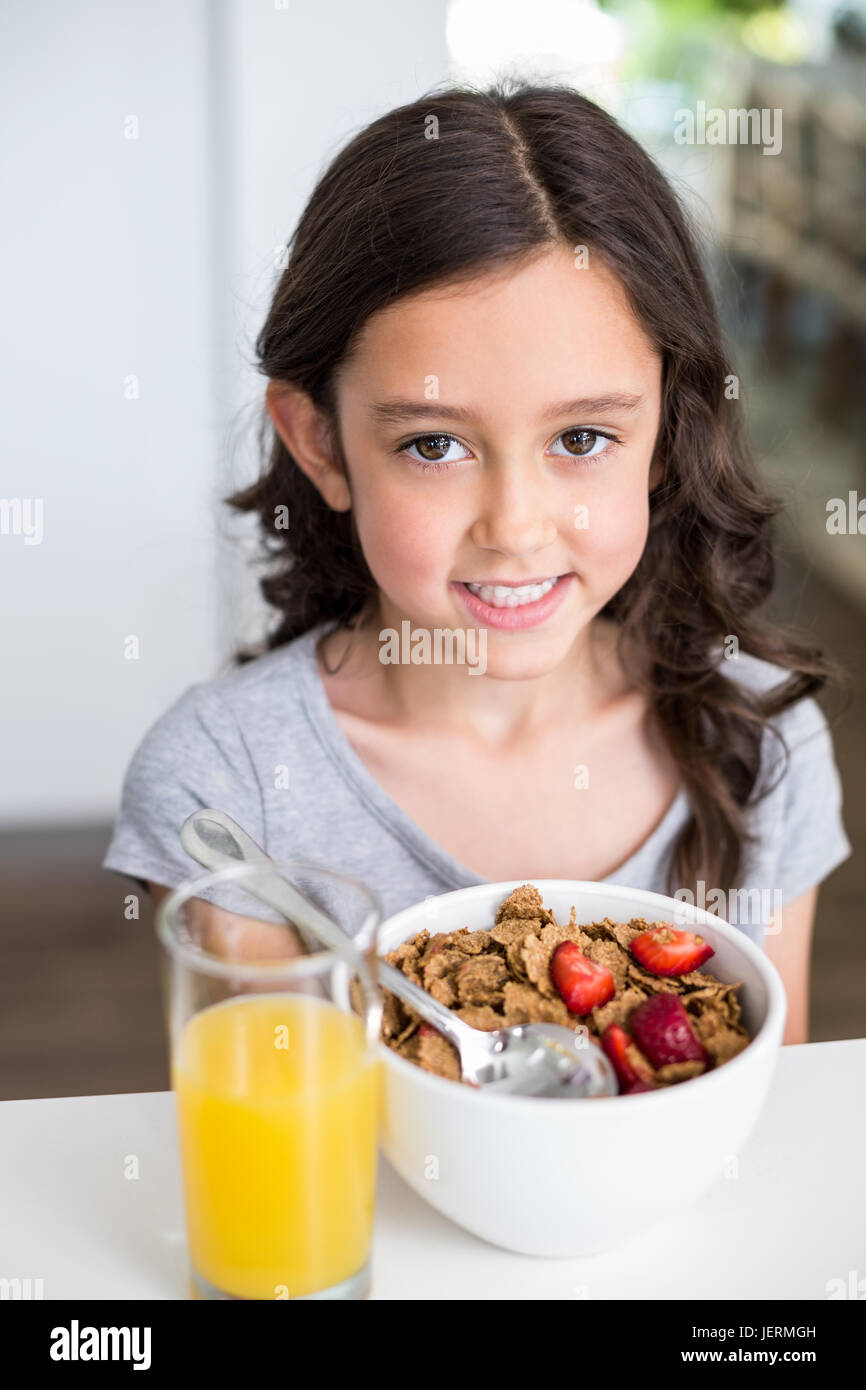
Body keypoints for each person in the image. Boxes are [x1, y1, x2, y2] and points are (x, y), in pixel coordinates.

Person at [103, 79, 852, 1046]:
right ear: (322, 446)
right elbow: (290, 1137)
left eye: (582, 438)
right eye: (434, 445)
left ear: (667, 430)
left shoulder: (762, 744)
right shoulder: (227, 783)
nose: (514, 525)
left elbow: (761, 1110)